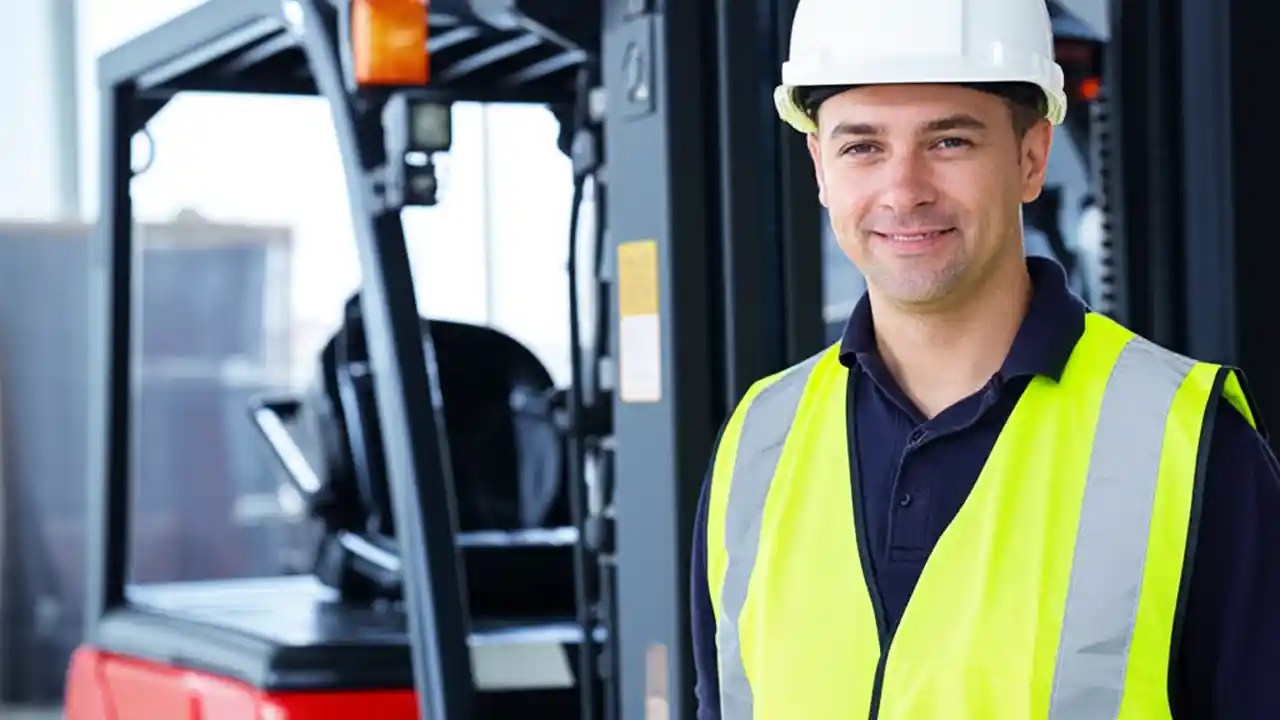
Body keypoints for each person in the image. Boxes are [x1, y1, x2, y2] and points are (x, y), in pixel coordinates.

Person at [689, 0, 1280, 717]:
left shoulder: (1189, 446)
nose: (903, 191)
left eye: (949, 143)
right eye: (861, 147)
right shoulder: (758, 443)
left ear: (1031, 158)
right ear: (820, 167)